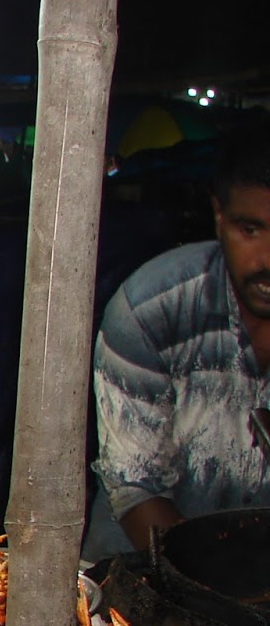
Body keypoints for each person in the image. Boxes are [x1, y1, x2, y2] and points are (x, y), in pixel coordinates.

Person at [83, 119, 270, 562]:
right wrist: (223, 592)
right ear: (219, 217)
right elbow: (134, 488)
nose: (267, 260)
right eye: (251, 230)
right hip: (134, 580)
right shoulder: (152, 310)